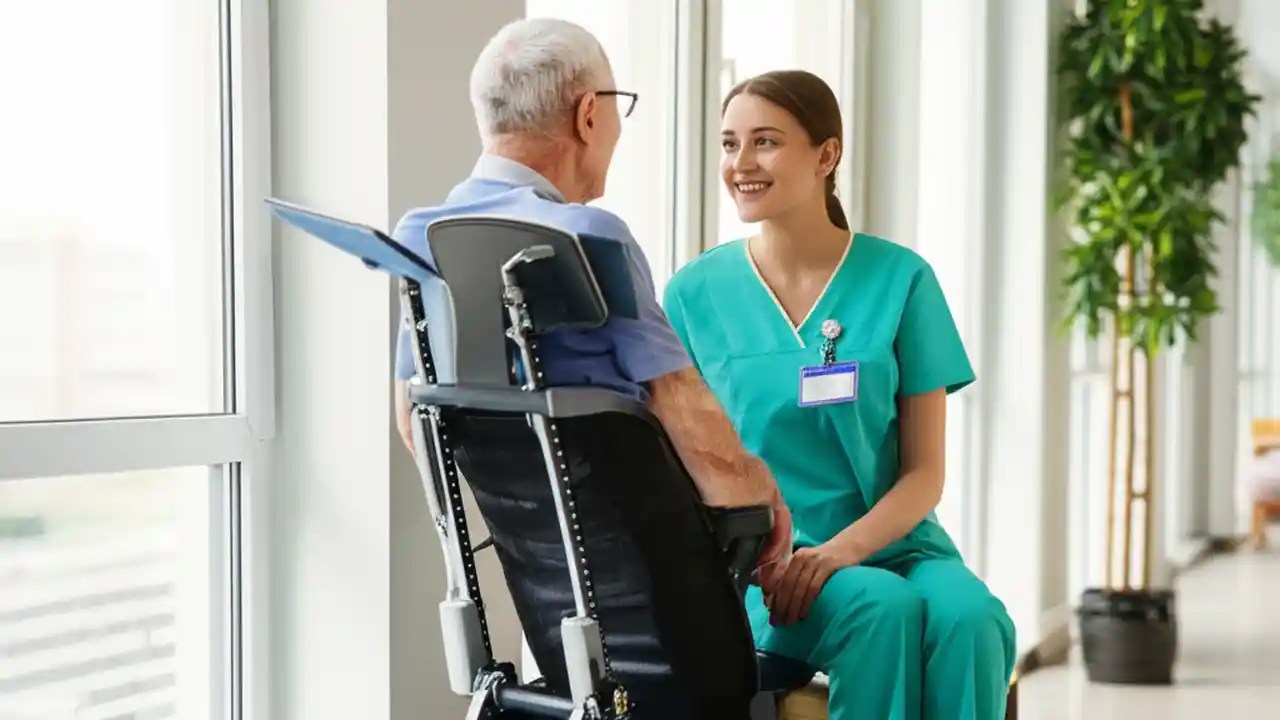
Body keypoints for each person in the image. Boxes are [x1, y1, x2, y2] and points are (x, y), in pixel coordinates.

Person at [662, 70, 1016, 720]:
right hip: (762, 566)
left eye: (765, 141)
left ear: (827, 155)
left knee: (974, 618)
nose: (741, 163)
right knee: (881, 609)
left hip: (899, 545)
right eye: (729, 143)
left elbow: (925, 473)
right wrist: (786, 555)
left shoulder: (902, 279)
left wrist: (840, 552)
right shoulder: (693, 295)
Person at [390, 18, 792, 566]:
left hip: (536, 567)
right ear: (588, 114)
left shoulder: (422, 236)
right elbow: (685, 414)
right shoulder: (588, 237)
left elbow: (414, 417)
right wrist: (761, 492)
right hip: (649, 563)